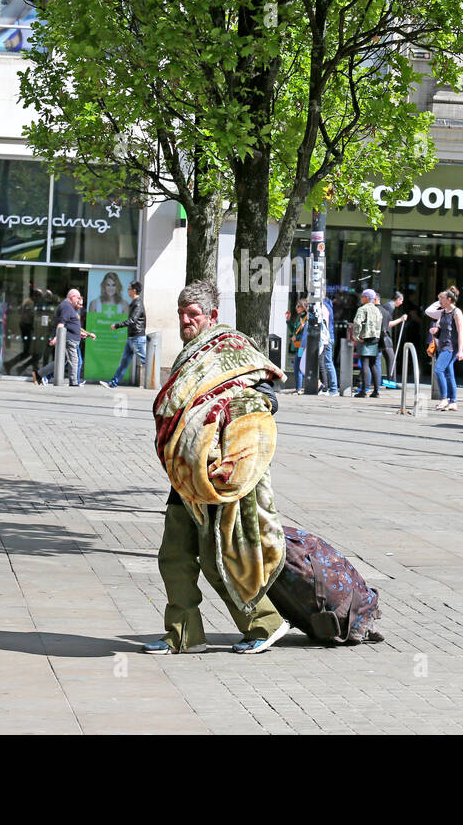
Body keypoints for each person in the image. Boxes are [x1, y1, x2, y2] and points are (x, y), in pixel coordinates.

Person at [143, 279, 289, 655]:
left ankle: (264, 623)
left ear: (212, 316)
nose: (185, 320)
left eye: (193, 314)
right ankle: (183, 633)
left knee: (216, 557)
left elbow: (266, 400)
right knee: (173, 554)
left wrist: (223, 418)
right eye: (181, 313)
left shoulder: (234, 350)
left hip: (221, 473)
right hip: (185, 473)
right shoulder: (190, 355)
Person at [33, 288, 96, 385]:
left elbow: (69, 324)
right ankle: (74, 382)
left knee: (61, 361)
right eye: (78, 298)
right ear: (72, 297)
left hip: (70, 338)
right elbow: (61, 323)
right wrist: (56, 337)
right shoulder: (66, 306)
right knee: (74, 361)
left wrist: (81, 333)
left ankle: (39, 374)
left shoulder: (68, 306)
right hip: (69, 339)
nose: (79, 300)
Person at [426, 287, 463, 411]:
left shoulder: (457, 312)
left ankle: (444, 398)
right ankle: (453, 401)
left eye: (441, 299)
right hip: (442, 345)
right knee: (449, 373)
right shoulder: (443, 312)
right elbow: (429, 311)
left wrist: (460, 350)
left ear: (449, 299)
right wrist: (435, 330)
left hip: (450, 347)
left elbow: (460, 332)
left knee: (438, 369)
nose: (439, 301)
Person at [106, 280, 146, 388]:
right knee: (124, 362)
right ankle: (113, 383)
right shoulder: (134, 303)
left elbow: (133, 320)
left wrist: (117, 325)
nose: (127, 291)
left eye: (129, 289)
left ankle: (159, 386)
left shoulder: (138, 304)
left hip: (137, 338)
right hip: (132, 338)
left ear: (134, 290)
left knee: (146, 362)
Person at [352, 289, 383, 398]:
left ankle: (364, 391)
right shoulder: (377, 310)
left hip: (364, 338)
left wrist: (356, 336)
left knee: (364, 364)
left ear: (366, 297)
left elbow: (357, 323)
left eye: (362, 296)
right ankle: (376, 391)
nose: (361, 298)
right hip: (375, 338)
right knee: (373, 365)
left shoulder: (362, 309)